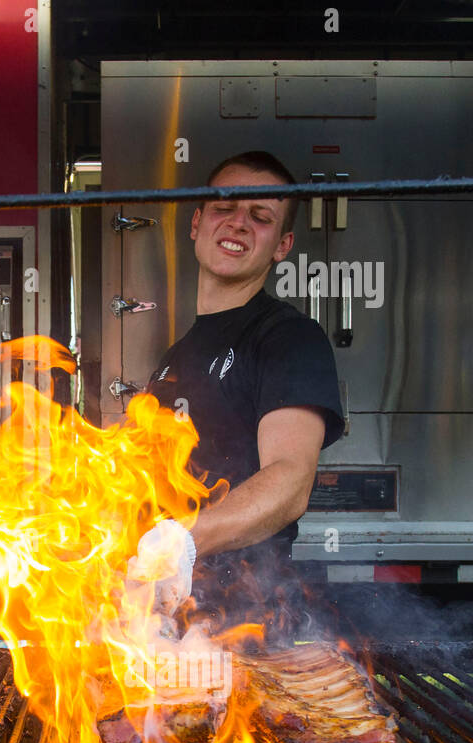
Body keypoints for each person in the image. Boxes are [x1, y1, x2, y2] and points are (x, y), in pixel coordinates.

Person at [124, 151, 344, 631]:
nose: (240, 223)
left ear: (282, 245)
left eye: (260, 217)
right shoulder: (177, 355)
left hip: (242, 621)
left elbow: (290, 481)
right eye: (225, 207)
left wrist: (181, 541)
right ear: (197, 223)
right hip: (167, 618)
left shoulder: (288, 338)